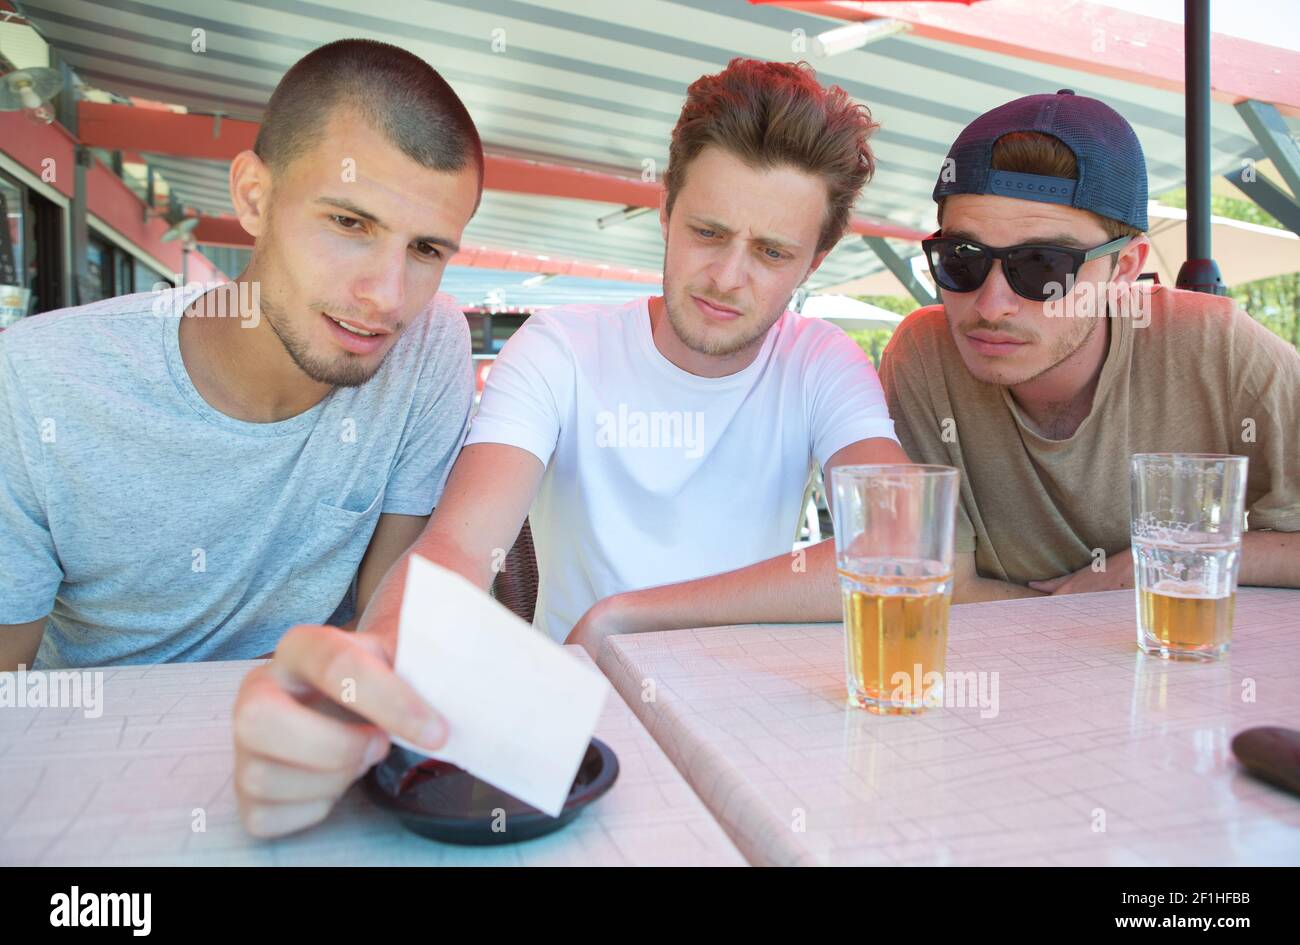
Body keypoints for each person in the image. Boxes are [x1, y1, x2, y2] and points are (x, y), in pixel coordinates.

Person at [233, 58, 911, 837]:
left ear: (813, 261)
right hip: (574, 723)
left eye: (771, 253)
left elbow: (893, 545)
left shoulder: (823, 360)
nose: (727, 277)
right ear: (665, 213)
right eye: (708, 232)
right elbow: (457, 544)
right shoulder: (562, 346)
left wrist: (630, 614)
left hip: (755, 717)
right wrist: (370, 675)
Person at [0, 39, 483, 668]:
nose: (386, 299)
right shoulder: (36, 380)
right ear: (254, 197)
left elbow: (387, 623)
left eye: (426, 250)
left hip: (316, 727)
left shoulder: (427, 341)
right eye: (348, 223)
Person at [877, 90, 1299, 603]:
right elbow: (944, 585)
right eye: (961, 257)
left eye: (1042, 267)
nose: (991, 305)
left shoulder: (1218, 345)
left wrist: (1149, 564)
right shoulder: (923, 356)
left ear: (1123, 269)